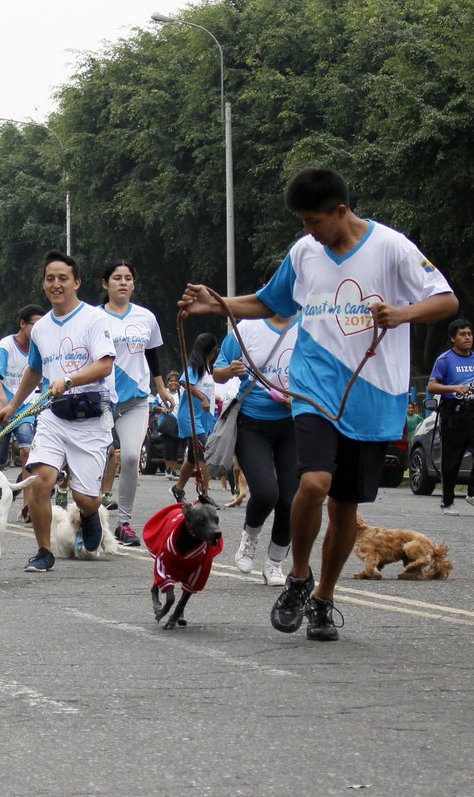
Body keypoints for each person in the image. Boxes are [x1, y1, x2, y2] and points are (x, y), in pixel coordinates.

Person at [180, 166, 456, 641]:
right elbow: (270, 302)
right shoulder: (305, 252)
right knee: (313, 482)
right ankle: (298, 577)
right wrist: (217, 302)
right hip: (312, 387)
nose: (308, 232)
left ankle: (324, 598)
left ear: (340, 211)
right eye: (302, 223)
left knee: (344, 507)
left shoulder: (392, 247)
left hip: (372, 394)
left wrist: (402, 313)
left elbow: (446, 300)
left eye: (314, 221)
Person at [0, 251, 115, 573]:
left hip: (90, 417)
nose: (56, 284)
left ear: (76, 282)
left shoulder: (95, 319)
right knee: (39, 480)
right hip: (53, 416)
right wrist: (12, 405)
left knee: (85, 498)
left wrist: (70, 379)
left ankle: (90, 514)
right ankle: (43, 551)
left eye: (63, 278)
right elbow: (34, 371)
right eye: (50, 278)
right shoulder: (41, 328)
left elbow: (105, 365)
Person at [213, 264, 301, 586]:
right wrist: (231, 369)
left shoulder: (307, 327)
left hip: (293, 424)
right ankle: (249, 538)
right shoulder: (247, 328)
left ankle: (275, 562)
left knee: (291, 500)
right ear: (266, 292)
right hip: (253, 424)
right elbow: (217, 372)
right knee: (266, 492)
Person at [99, 260, 174, 546]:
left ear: (133, 283)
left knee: (130, 457)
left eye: (128, 278)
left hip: (136, 400)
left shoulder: (146, 317)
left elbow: (153, 354)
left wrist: (162, 389)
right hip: (101, 401)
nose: (123, 283)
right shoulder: (93, 317)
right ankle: (89, 517)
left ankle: (124, 524)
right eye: (116, 278)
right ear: (105, 284)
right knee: (96, 460)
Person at [0, 305, 46, 473]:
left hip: (25, 406)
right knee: (0, 460)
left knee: (27, 450)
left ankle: (28, 498)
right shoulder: (6, 345)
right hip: (2, 407)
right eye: (35, 325)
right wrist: (3, 400)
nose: (38, 330)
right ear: (22, 324)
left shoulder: (41, 347)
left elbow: (41, 378)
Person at [427, 318, 474, 513]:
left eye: (470, 334)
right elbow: (431, 386)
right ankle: (447, 501)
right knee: (451, 459)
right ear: (453, 338)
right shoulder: (444, 360)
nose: (467, 337)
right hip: (452, 413)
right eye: (462, 334)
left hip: (472, 410)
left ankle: (472, 492)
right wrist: (453, 387)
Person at [169, 333, 219, 503]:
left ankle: (178, 489)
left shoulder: (206, 369)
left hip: (202, 418)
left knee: (192, 458)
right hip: (190, 417)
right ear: (211, 350)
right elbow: (185, 383)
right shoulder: (194, 367)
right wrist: (203, 399)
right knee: (204, 452)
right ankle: (204, 494)